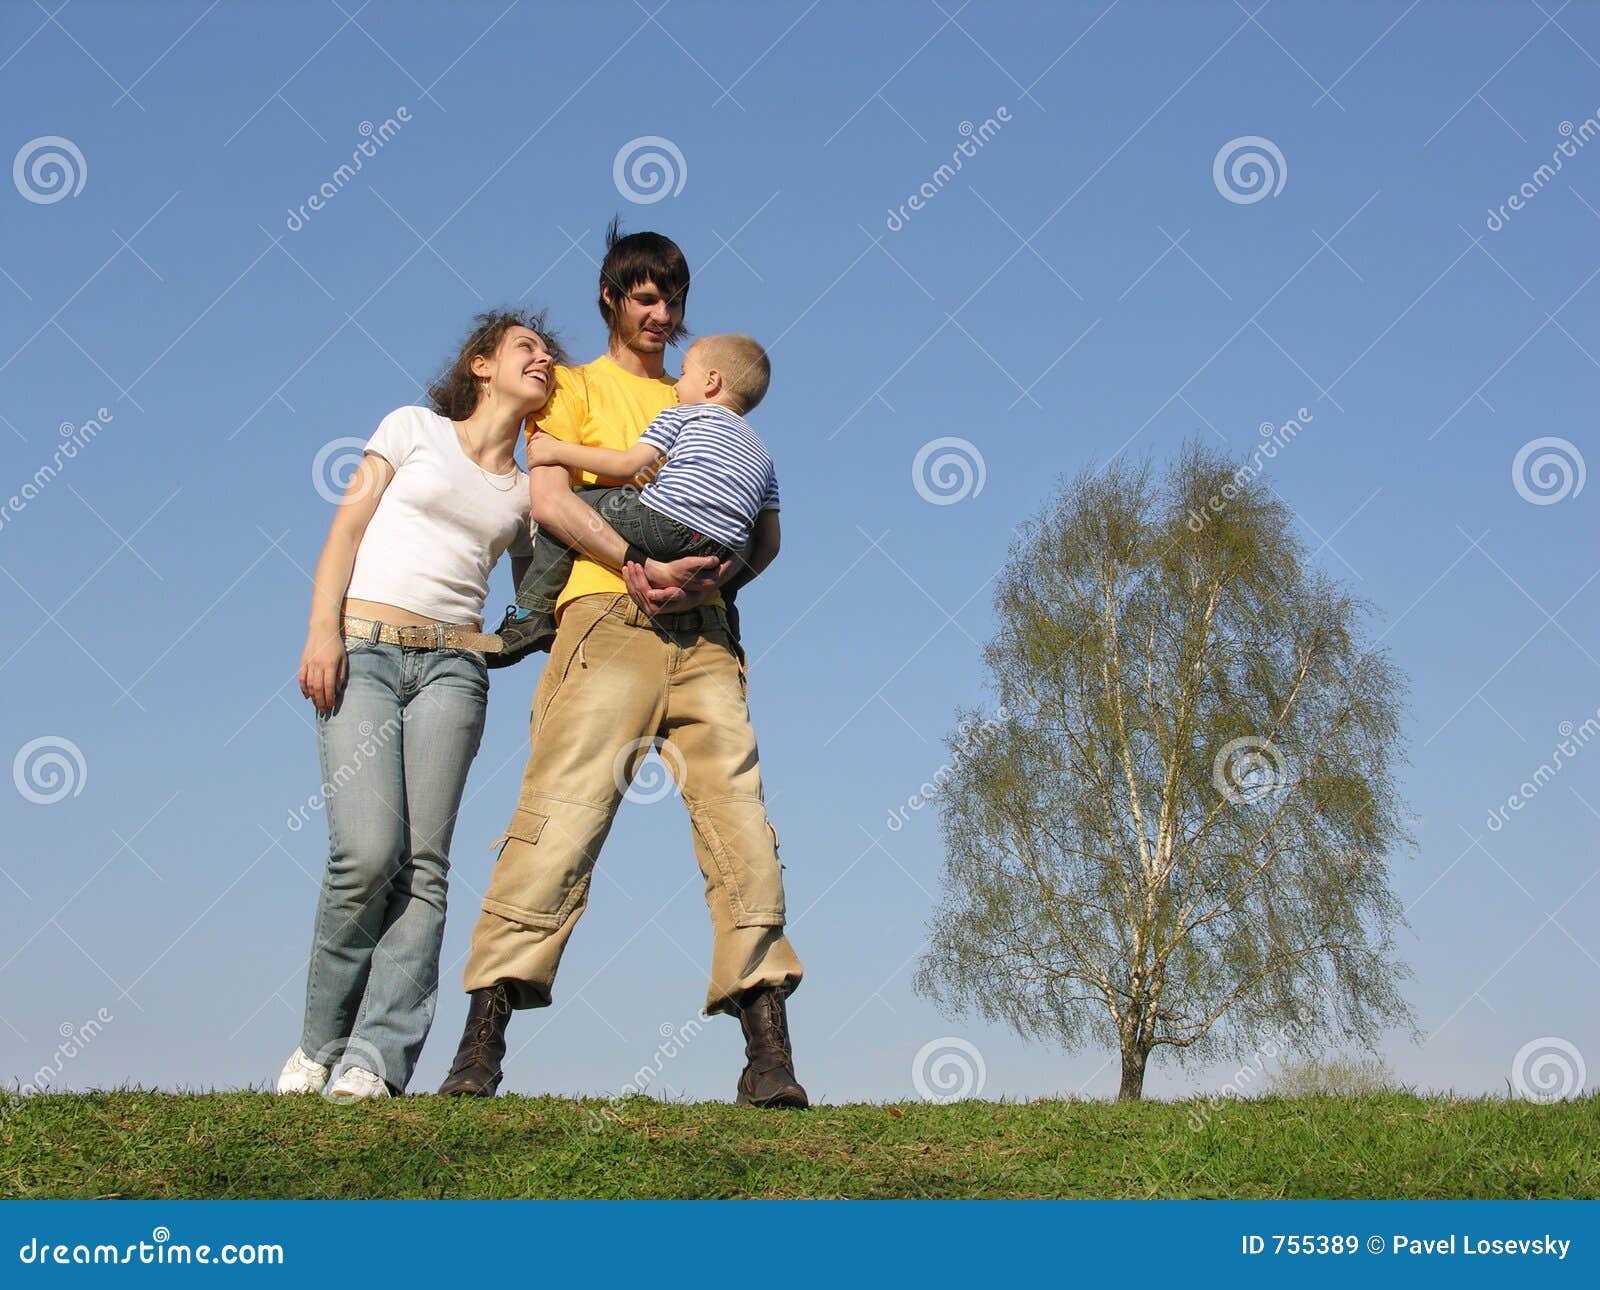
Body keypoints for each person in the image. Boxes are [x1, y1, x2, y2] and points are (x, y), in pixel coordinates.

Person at [437, 224, 807, 1108]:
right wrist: (636, 567)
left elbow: (765, 532)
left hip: (708, 636)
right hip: (604, 620)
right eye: (646, 297)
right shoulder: (572, 387)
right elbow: (550, 493)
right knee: (560, 816)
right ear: (611, 297)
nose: (662, 313)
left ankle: (770, 1060)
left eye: (674, 300)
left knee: (743, 826)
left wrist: (716, 575)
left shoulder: (711, 410)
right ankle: (480, 1047)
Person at [275, 310, 560, 1101]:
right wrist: (321, 631)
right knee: (365, 856)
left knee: (424, 869)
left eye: (549, 357)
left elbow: (539, 598)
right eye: (526, 348)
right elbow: (347, 528)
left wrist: (502, 644)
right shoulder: (410, 428)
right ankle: (317, 1044)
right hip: (361, 650)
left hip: (452, 673)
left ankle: (375, 1062)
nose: (542, 360)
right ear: (481, 364)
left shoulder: (526, 489)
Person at [494, 332, 778, 662]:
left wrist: (557, 449)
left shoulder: (683, 414)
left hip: (665, 526)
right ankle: (726, 611)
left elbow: (628, 466)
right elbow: (770, 543)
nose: (676, 385)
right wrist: (723, 587)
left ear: (712, 381)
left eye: (684, 373)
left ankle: (532, 614)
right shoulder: (764, 454)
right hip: (716, 552)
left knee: (577, 505)